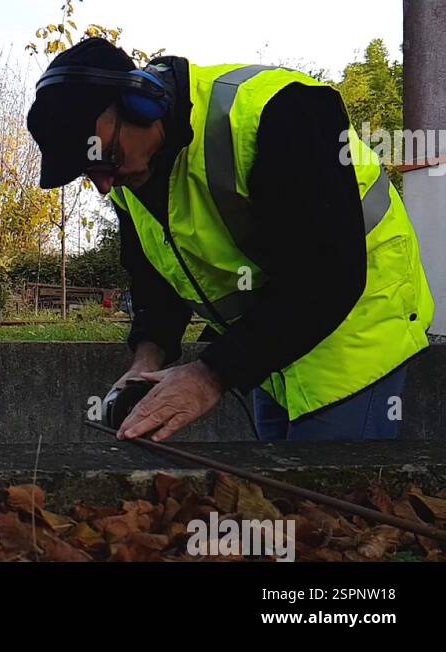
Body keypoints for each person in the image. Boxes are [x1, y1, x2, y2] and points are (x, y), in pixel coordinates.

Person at [27, 38, 435, 442]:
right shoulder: (128, 175)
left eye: (104, 157)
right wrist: (146, 357)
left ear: (140, 101)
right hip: (273, 342)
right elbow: (157, 275)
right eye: (88, 172)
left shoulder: (282, 111)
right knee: (282, 496)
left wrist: (209, 376)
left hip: (356, 326)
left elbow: (328, 276)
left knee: (329, 497)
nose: (103, 183)